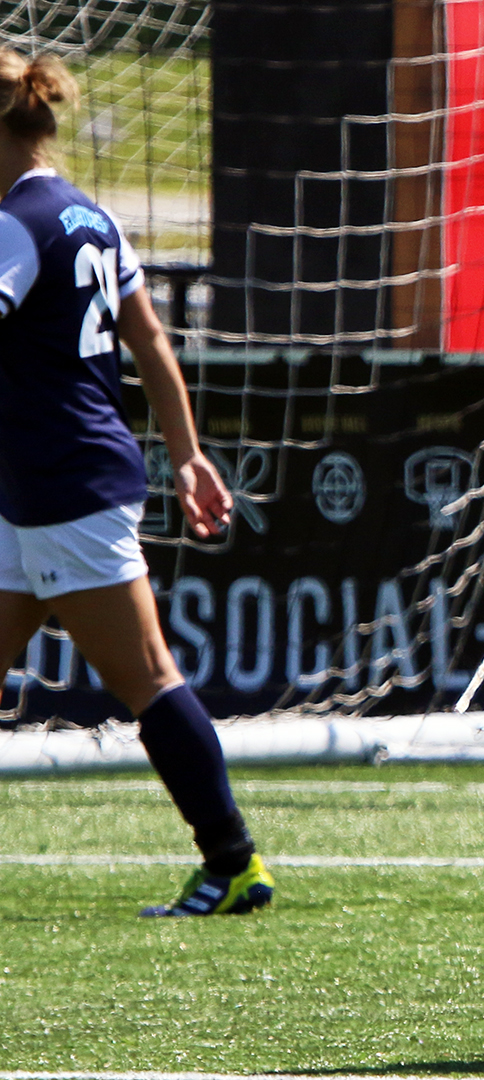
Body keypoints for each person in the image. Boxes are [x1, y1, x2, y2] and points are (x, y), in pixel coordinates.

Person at [0, 52, 273, 916]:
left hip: (64, 484)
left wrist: (188, 455)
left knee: (149, 679)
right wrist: (187, 454)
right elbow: (149, 339)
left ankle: (233, 862)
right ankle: (232, 861)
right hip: (44, 483)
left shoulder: (14, 226)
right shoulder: (92, 216)